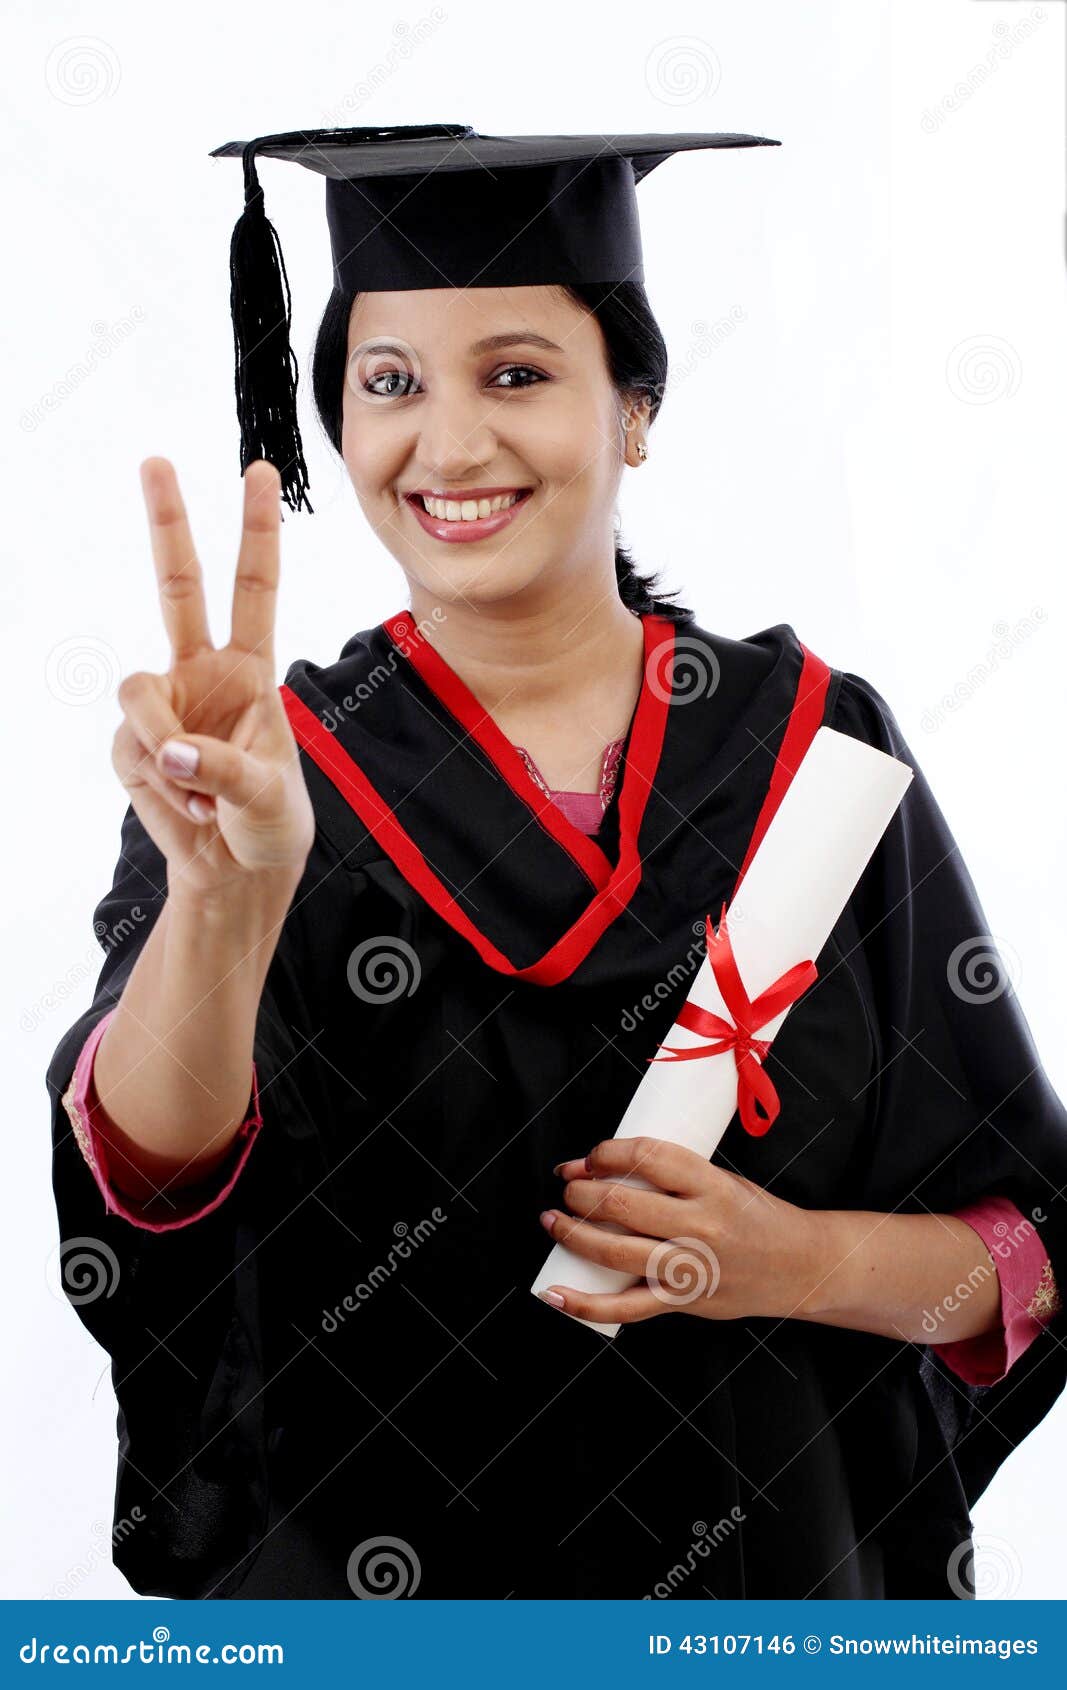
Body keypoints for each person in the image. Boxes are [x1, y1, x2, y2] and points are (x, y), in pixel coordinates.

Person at [46, 125, 1066, 1601]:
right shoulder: (271, 772)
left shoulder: (811, 757)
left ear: (636, 408)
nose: (450, 444)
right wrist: (220, 898)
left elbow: (1026, 1255)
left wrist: (793, 1260)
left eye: (516, 373)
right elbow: (149, 1189)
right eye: (390, 382)